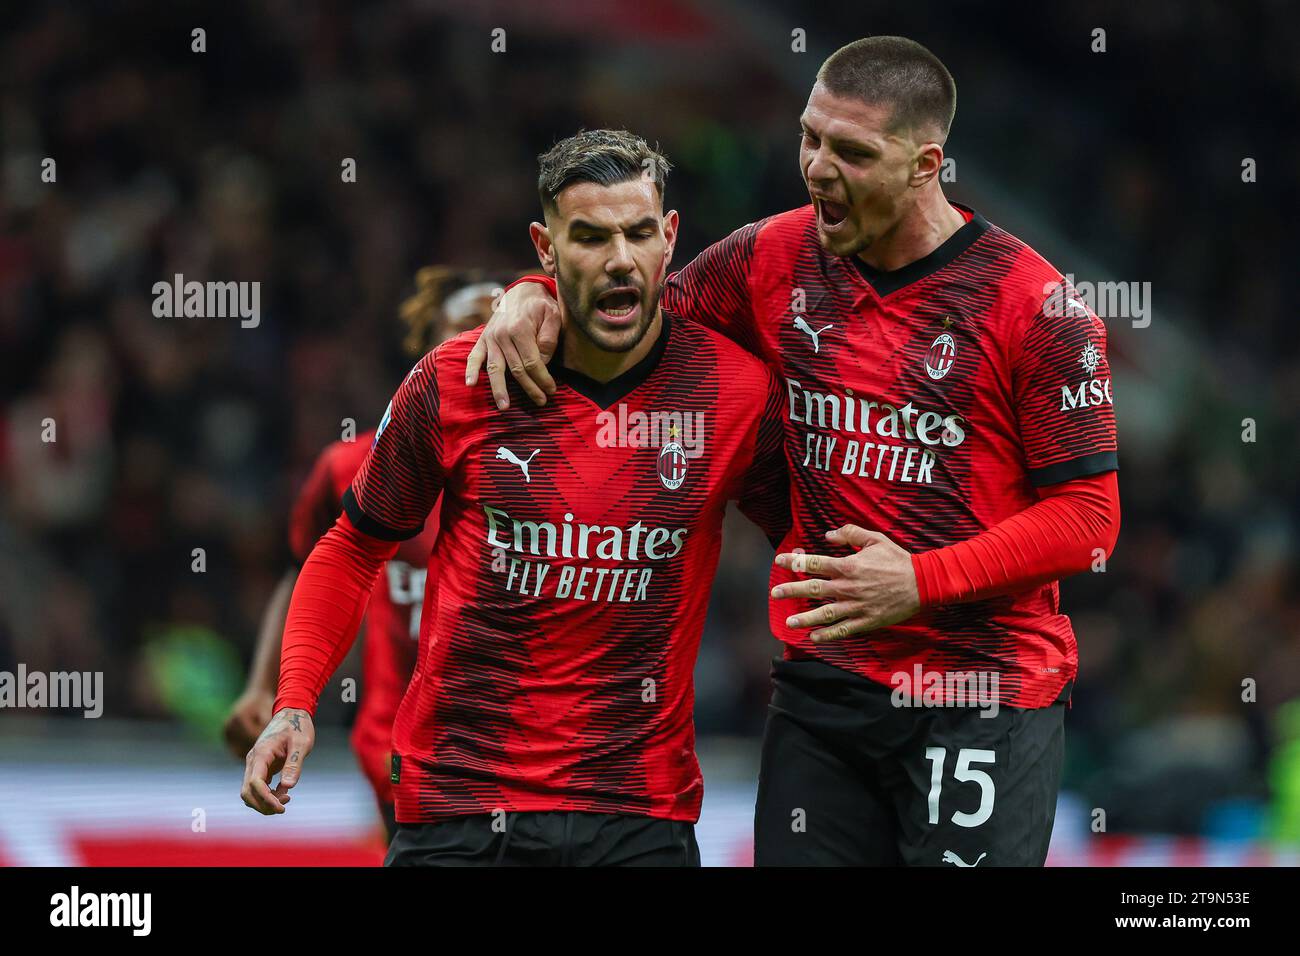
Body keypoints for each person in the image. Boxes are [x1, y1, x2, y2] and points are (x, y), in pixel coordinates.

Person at [466, 37, 1121, 866]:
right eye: (810, 137)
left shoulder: (1037, 308)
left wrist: (920, 581)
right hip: (827, 684)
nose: (817, 167)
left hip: (979, 690)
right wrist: (528, 294)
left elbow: (1091, 521)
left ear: (927, 165)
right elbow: (630, 316)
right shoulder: (768, 257)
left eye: (852, 152)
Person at [240, 129, 789, 866]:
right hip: (458, 810)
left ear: (670, 237)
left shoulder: (734, 391)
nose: (619, 260)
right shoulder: (456, 380)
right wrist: (296, 702)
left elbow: (813, 533)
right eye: (590, 237)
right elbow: (350, 547)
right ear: (545, 247)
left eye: (636, 233)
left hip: (639, 815)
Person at [224, 265, 506, 838]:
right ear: (428, 348)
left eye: (500, 326)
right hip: (400, 752)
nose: (488, 342)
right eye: (467, 328)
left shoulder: (562, 464)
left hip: (523, 753)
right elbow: (307, 572)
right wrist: (266, 689)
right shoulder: (353, 469)